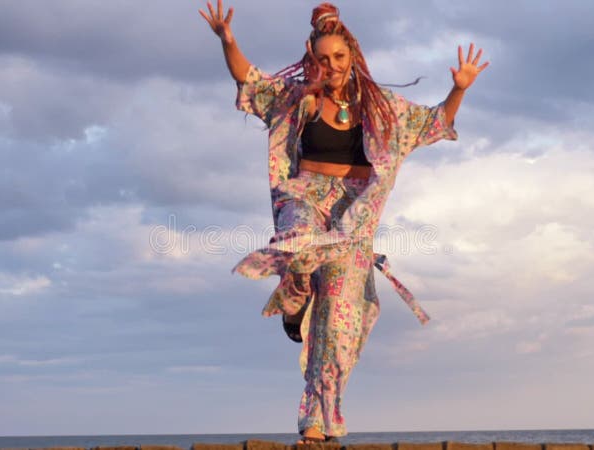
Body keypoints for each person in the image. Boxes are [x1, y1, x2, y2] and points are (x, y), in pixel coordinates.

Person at [200, 0, 488, 443]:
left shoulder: (384, 109)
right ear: (310, 58)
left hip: (354, 216)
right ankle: (294, 296)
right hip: (306, 196)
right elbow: (248, 79)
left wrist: (460, 89)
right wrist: (229, 42)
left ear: (352, 54)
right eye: (322, 58)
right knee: (297, 243)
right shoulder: (296, 100)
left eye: (338, 57)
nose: (331, 66)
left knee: (338, 322)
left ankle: (319, 419)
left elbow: (434, 124)